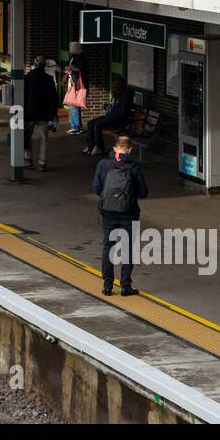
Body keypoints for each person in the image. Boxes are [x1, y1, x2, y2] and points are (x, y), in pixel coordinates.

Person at [91, 135, 148, 296]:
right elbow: (143, 192)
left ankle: (107, 285)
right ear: (130, 150)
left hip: (109, 214)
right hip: (130, 214)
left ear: (115, 148)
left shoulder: (103, 164)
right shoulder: (135, 167)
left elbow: (96, 187)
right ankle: (125, 286)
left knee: (108, 248)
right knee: (128, 249)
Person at [22, 55, 59, 172]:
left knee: (27, 136)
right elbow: (54, 98)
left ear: (34, 64)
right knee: (44, 138)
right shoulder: (49, 79)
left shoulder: (27, 77)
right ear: (45, 66)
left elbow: (24, 96)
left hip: (30, 112)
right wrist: (54, 113)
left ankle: (28, 158)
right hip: (44, 113)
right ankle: (42, 162)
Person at [85, 76, 134, 156]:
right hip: (111, 116)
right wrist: (109, 107)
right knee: (90, 123)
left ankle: (98, 147)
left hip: (119, 119)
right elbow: (114, 107)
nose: (115, 87)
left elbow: (123, 111)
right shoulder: (117, 95)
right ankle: (91, 145)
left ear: (121, 85)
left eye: (117, 85)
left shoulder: (126, 96)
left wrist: (112, 110)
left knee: (98, 125)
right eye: (114, 85)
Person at [64, 41, 88, 135]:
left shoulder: (78, 59)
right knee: (75, 106)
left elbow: (80, 71)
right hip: (76, 83)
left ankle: (75, 127)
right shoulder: (77, 57)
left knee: (74, 105)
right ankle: (78, 126)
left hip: (77, 85)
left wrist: (71, 71)